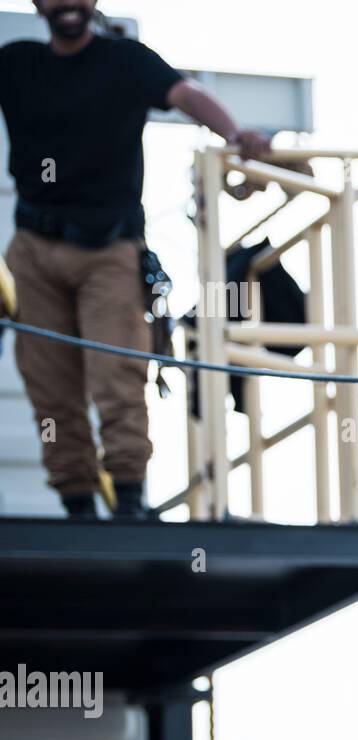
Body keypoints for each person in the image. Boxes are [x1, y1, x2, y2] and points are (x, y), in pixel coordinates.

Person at [0, 0, 271, 518]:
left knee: (118, 375)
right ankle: (77, 502)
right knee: (49, 385)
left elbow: (185, 93)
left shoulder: (125, 61)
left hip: (110, 250)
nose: (67, 5)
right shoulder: (17, 64)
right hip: (34, 250)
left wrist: (235, 136)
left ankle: (128, 500)